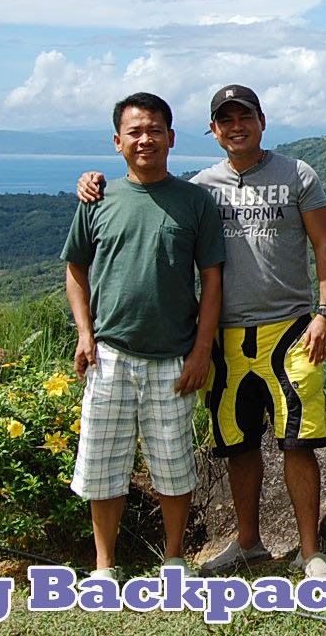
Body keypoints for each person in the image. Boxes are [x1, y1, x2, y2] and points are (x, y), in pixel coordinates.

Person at [78, 83, 326, 581]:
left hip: (291, 329)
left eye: (245, 117)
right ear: (213, 130)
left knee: (298, 442)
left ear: (262, 121)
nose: (236, 127)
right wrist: (93, 182)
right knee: (237, 444)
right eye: (226, 120)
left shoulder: (297, 175)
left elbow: (325, 244)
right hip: (224, 335)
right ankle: (248, 545)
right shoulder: (202, 188)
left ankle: (310, 554)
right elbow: (151, 197)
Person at [62, 92, 225, 581]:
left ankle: (174, 558)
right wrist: (84, 335)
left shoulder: (195, 201)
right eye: (134, 131)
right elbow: (75, 270)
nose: (145, 139)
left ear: (171, 138)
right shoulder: (98, 198)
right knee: (102, 466)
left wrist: (200, 350)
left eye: (154, 130)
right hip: (109, 355)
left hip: (173, 358)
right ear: (117, 142)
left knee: (173, 468)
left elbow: (212, 279)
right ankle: (103, 566)